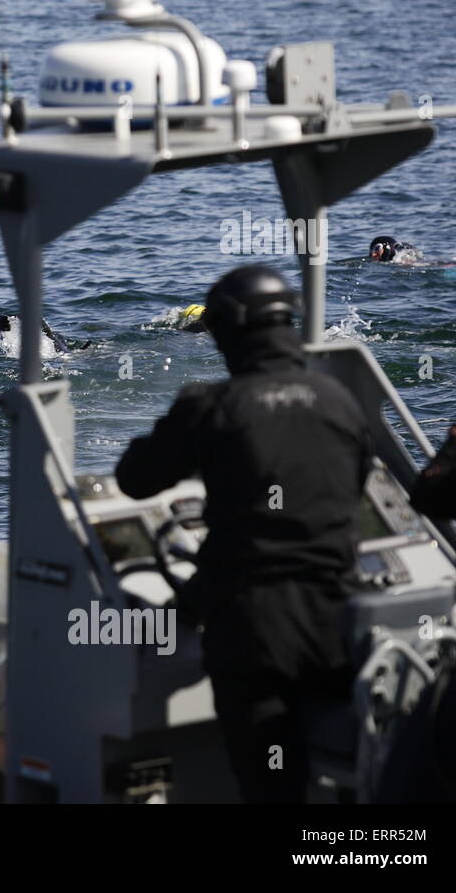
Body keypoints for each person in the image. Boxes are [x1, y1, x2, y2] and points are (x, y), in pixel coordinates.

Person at [114, 264, 373, 803]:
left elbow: (134, 478)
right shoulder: (340, 401)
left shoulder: (212, 407)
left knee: (271, 787)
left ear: (230, 333)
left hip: (257, 634)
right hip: (342, 624)